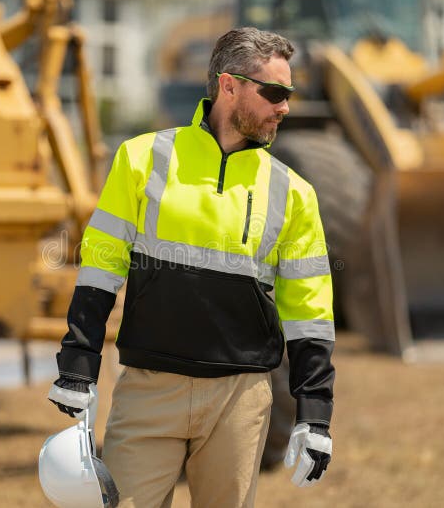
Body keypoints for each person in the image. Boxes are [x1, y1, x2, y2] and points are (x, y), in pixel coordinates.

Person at [49, 26, 335, 507]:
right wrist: (78, 364)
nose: (285, 106)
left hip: (240, 400)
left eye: (289, 94)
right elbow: (100, 268)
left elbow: (309, 310)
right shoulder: (140, 159)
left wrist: (316, 412)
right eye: (274, 93)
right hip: (147, 391)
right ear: (229, 86)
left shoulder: (295, 193)